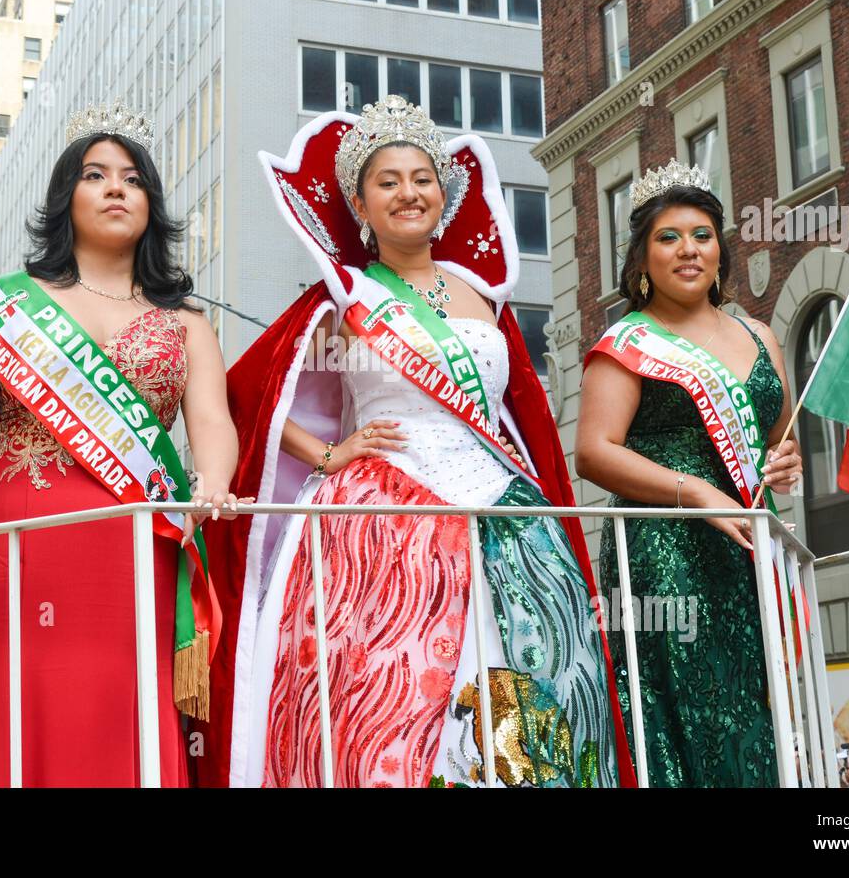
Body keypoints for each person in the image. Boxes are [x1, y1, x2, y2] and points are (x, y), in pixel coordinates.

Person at [196, 96, 636, 788]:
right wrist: (327, 455)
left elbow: (517, 408)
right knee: (380, 699)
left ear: (444, 193)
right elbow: (243, 398)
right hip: (377, 526)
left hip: (506, 519)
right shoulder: (340, 301)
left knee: (545, 685)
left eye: (422, 178)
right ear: (362, 207)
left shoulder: (482, 296)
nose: (410, 192)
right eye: (388, 181)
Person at [0, 102, 245, 787]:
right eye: (95, 174)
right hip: (21, 536)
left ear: (151, 203)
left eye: (132, 177)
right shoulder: (8, 306)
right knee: (18, 696)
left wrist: (213, 481)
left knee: (122, 701)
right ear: (66, 198)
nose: (116, 187)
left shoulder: (186, 324)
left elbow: (212, 423)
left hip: (132, 539)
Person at [576, 160, 804, 788]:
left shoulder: (760, 335)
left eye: (702, 235)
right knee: (689, 702)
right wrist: (696, 489)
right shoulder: (627, 341)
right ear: (641, 259)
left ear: (720, 250)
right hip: (663, 545)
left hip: (747, 540)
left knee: (757, 701)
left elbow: (775, 437)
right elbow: (593, 452)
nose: (688, 250)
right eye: (668, 237)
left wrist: (786, 462)